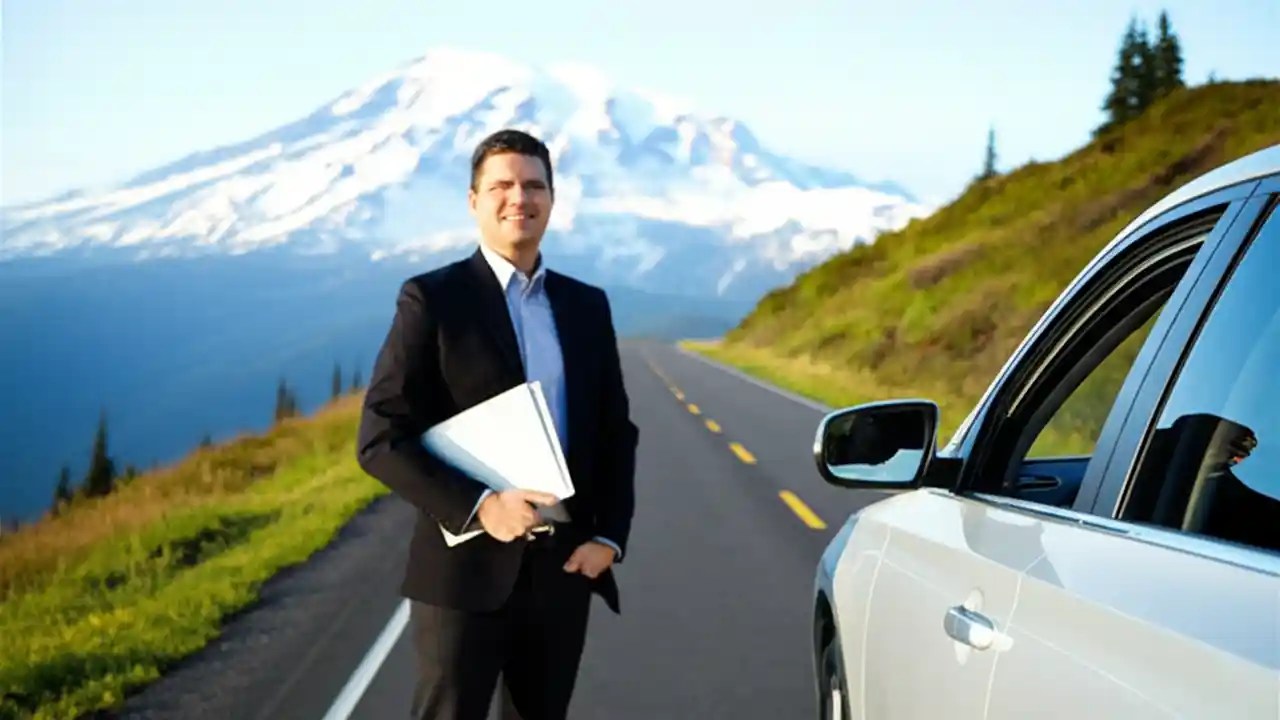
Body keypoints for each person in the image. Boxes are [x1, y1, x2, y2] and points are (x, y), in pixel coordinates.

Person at [356, 128, 639, 720]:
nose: (520, 198)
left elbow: (616, 432)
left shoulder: (586, 305)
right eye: (502, 185)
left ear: (552, 200)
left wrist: (608, 537)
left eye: (534, 185)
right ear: (474, 201)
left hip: (564, 567)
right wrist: (483, 505)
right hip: (462, 574)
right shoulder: (432, 299)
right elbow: (381, 437)